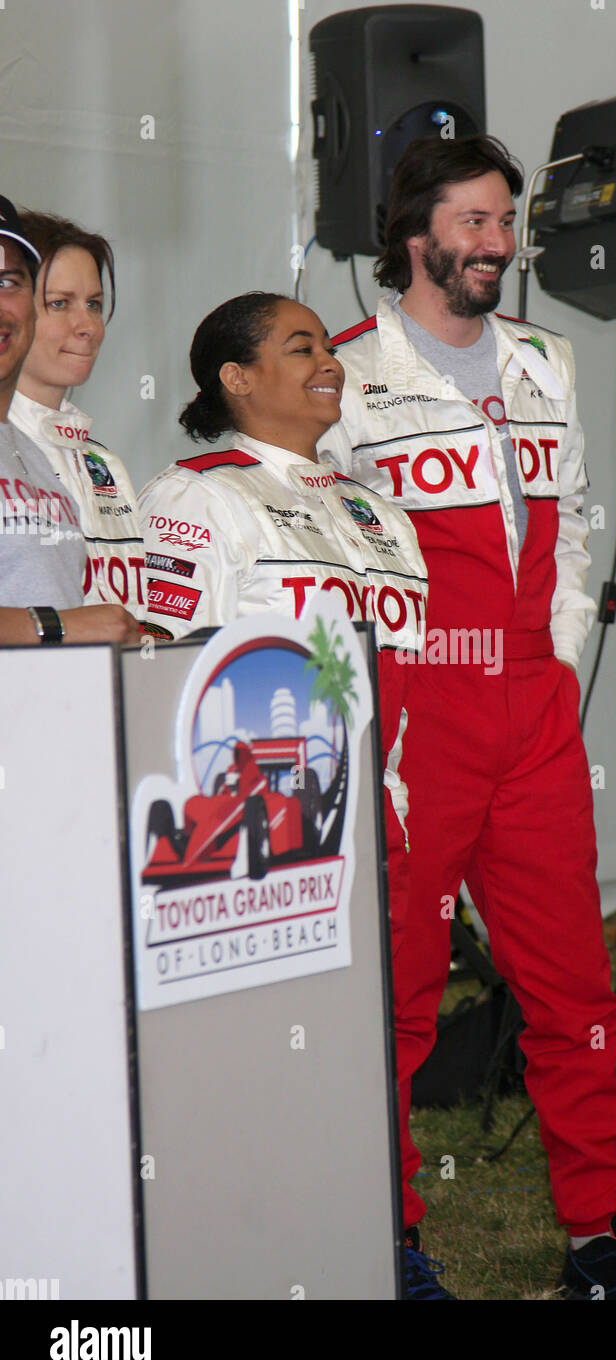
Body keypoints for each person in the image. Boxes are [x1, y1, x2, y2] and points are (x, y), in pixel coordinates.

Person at [320, 135, 616, 1300]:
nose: (497, 243)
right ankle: (381, 1242)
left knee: (572, 990)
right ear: (417, 236)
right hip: (416, 719)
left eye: (506, 222)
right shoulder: (345, 373)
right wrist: (392, 693)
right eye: (474, 222)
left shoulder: (548, 358)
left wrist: (550, 656)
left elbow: (579, 521)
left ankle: (604, 1238)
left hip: (532, 710)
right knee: (394, 997)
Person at [137, 292, 428, 935]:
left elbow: (400, 699)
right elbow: (165, 683)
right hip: (256, 834)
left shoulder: (383, 514)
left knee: (388, 1024)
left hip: (376, 817)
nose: (331, 363)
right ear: (236, 377)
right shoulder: (197, 495)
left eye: (329, 347)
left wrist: (394, 811)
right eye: (303, 349)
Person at [0, 194, 138, 647]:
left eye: (94, 304)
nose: (89, 326)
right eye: (60, 303)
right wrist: (55, 628)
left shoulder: (99, 461)